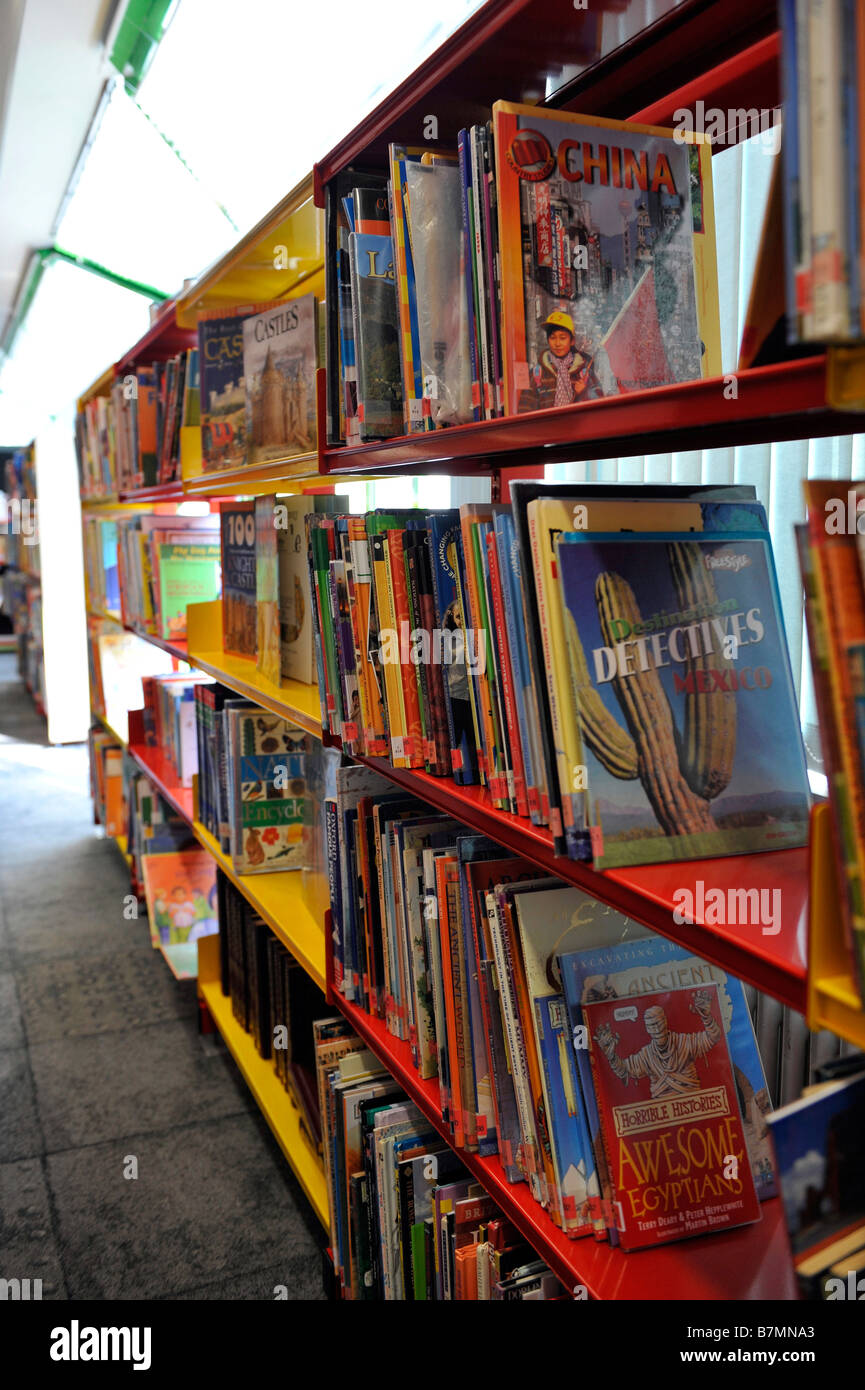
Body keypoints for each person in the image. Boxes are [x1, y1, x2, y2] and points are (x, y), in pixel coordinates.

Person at [520, 310, 604, 411]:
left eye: (563, 338)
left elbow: (600, 407)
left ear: (572, 341)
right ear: (548, 340)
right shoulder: (537, 374)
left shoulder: (584, 373)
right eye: (552, 338)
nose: (557, 343)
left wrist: (585, 392)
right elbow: (524, 410)